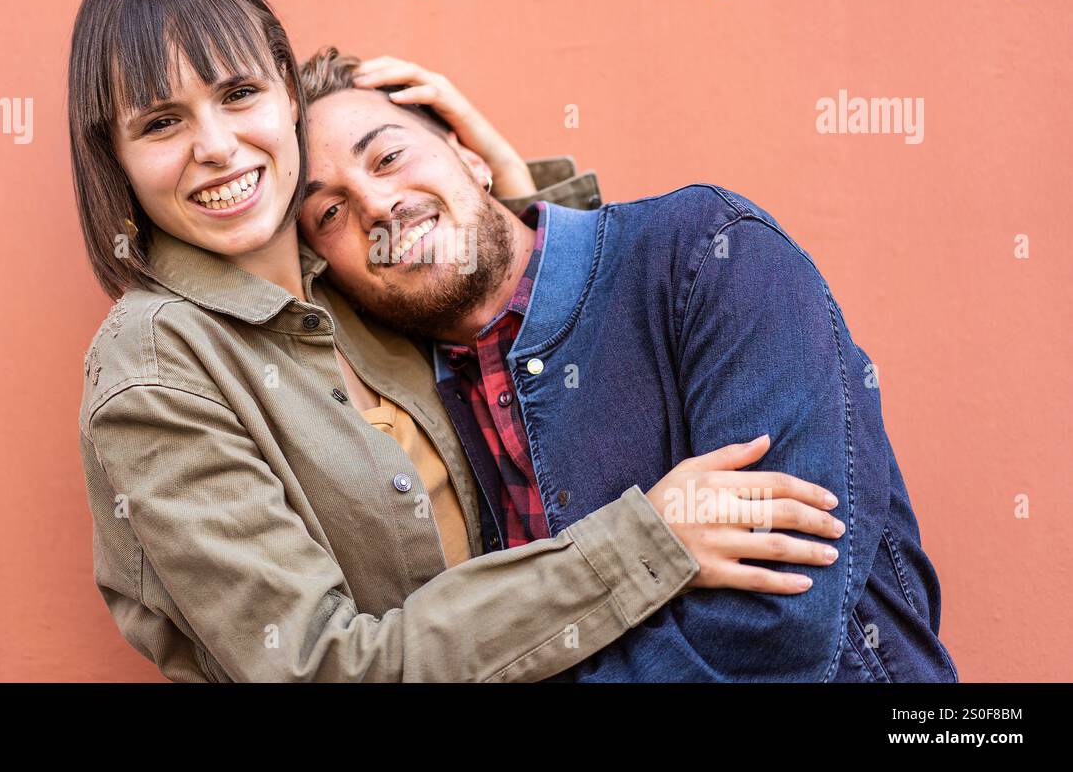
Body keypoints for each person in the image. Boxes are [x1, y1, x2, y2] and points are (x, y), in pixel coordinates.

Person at [68, 0, 845, 682]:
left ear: (285, 98)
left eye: (238, 95)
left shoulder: (358, 297)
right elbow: (323, 667)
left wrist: (499, 190)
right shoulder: (156, 372)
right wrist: (647, 544)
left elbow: (540, 354)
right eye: (161, 123)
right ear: (117, 159)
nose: (216, 146)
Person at [294, 46, 959, 682]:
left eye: (387, 155)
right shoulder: (426, 420)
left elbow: (780, 626)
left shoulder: (706, 254)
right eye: (329, 211)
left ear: (472, 158)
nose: (377, 208)